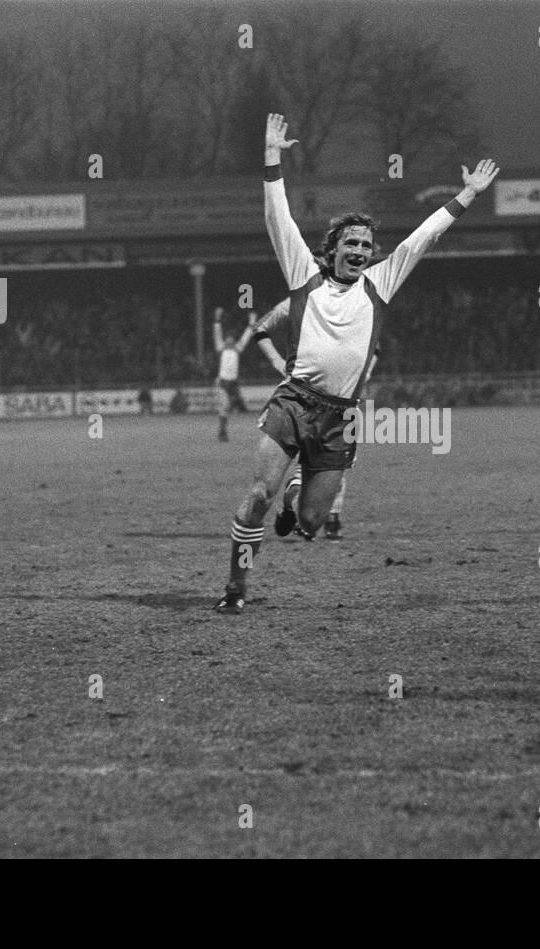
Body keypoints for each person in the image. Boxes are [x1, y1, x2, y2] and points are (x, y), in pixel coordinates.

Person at [214, 113, 498, 614]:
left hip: (339, 417)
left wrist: (468, 193)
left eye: (366, 246)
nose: (360, 252)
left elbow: (422, 238)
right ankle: (235, 589)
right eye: (351, 244)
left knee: (311, 524)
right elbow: (277, 217)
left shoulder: (380, 284)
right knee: (258, 492)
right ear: (332, 250)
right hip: (295, 402)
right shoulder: (304, 275)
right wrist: (271, 156)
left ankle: (297, 496)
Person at [252, 296, 380, 542]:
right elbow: (260, 327)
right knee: (328, 465)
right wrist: (278, 362)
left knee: (327, 466)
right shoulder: (304, 299)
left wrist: (363, 374)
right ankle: (322, 516)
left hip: (332, 400)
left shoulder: (351, 299)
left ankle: (304, 506)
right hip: (310, 399)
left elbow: (375, 345)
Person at [213, 307, 256, 441]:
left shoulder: (238, 348)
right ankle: (222, 433)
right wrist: (217, 319)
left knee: (229, 408)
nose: (229, 340)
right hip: (223, 382)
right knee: (224, 406)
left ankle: (223, 431)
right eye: (227, 338)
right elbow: (217, 334)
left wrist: (252, 322)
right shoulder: (221, 348)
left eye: (231, 338)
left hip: (233, 383)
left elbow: (246, 336)